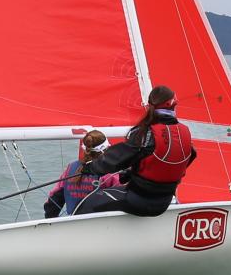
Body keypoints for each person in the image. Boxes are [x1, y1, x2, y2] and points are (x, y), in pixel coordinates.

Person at [72, 86, 196, 218]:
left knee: (85, 204)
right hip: (164, 202)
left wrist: (88, 168)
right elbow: (186, 158)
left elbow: (113, 160)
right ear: (174, 105)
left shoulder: (145, 133)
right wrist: (130, 174)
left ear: (150, 105)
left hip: (139, 201)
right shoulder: (185, 133)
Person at [43, 130, 109, 218]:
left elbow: (54, 199)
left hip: (73, 224)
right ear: (105, 150)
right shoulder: (109, 170)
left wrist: (50, 221)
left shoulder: (71, 168)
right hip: (101, 224)